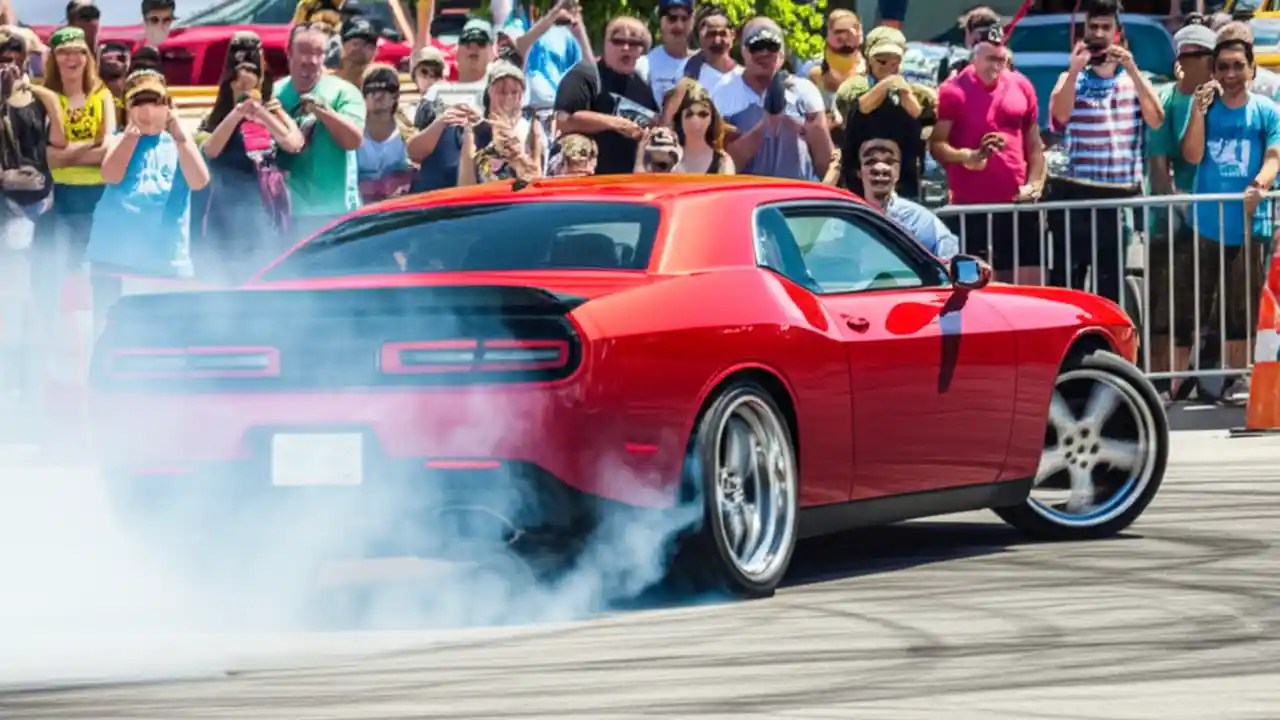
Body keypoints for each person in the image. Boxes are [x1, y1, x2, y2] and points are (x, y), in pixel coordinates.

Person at [1179, 26, 1280, 392]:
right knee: (1199, 306)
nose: (1231, 74)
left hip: (1252, 224)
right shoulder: (1204, 107)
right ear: (1214, 70)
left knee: (1243, 308)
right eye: (1223, 67)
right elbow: (1191, 155)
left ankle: (1238, 383)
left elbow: (1274, 155)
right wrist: (1197, 112)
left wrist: (1260, 184)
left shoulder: (1266, 111)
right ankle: (1194, 379)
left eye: (1238, 65)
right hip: (1207, 224)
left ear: (1252, 69)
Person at [1046, 0, 1163, 304]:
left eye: (1105, 27)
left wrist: (1132, 67)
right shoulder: (1070, 78)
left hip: (1118, 197)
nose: (1098, 33)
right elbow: (1059, 116)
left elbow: (1156, 119)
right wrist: (1074, 71)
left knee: (1110, 286)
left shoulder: (1135, 81)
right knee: (1069, 283)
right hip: (1077, 196)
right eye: (1092, 27)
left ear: (1118, 34)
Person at [85, 69, 210, 335]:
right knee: (108, 333)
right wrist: (130, 138)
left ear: (168, 106)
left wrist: (181, 138)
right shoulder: (118, 138)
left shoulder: (180, 142)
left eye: (155, 101)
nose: (147, 110)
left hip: (165, 261)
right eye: (139, 102)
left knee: (164, 336)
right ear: (128, 107)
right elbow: (110, 174)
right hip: (114, 258)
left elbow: (199, 181)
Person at [930, 23, 1045, 283]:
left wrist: (1036, 183)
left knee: (1029, 281)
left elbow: (1034, 145)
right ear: (975, 55)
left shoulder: (1021, 85)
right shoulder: (954, 90)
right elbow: (937, 144)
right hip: (971, 208)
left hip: (1017, 204)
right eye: (990, 59)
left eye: (1001, 59)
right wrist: (967, 157)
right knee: (976, 282)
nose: (996, 66)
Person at [196, 31, 304, 283]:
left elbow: (293, 143)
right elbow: (211, 150)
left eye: (251, 80)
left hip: (266, 212)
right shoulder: (214, 119)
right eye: (239, 81)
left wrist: (263, 113)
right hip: (227, 213)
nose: (245, 86)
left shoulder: (273, 110)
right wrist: (237, 112)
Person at [1146, 20, 1217, 394]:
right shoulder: (1165, 99)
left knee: (1211, 308)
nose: (1191, 61)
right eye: (1185, 54)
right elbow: (1158, 164)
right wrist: (1175, 207)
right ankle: (1162, 385)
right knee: (1164, 308)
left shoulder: (1224, 99)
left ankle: (1210, 379)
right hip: (1168, 222)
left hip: (1217, 219)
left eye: (1200, 55)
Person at [275, 21, 366, 241]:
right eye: (304, 52)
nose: (312, 61)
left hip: (336, 211)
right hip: (288, 212)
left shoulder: (344, 92)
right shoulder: (274, 94)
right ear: (289, 53)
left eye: (319, 53)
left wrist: (323, 112)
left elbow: (353, 141)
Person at [714, 18, 832, 181]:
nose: (764, 53)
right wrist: (768, 125)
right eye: (756, 47)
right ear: (743, 51)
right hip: (746, 197)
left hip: (796, 196)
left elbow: (824, 162)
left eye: (772, 46)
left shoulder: (804, 91)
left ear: (782, 52)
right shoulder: (723, 93)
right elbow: (721, 166)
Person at [554, 16, 658, 176]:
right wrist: (615, 123)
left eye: (634, 43)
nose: (625, 47)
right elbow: (562, 120)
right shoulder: (585, 75)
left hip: (628, 181)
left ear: (641, 50)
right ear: (605, 44)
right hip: (586, 180)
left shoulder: (642, 85)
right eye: (618, 41)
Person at [406, 17, 496, 192]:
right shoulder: (435, 95)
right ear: (457, 53)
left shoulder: (499, 89)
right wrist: (441, 122)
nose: (473, 48)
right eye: (467, 43)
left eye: (480, 43)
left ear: (492, 52)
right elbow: (414, 153)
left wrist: (481, 125)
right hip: (436, 192)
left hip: (481, 194)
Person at [838, 25, 923, 197]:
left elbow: (917, 112)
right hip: (860, 183)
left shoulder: (910, 89)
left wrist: (904, 91)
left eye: (895, 62)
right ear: (869, 59)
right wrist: (888, 83)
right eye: (882, 61)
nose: (888, 67)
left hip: (902, 183)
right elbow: (863, 106)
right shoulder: (855, 86)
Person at [860, 139, 958, 259]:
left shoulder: (920, 221)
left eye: (889, 161)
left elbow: (949, 259)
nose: (881, 168)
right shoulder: (848, 218)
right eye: (871, 161)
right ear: (859, 171)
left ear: (898, 171)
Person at [458, 60, 543, 185]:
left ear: (522, 96)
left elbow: (537, 178)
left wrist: (518, 157)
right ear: (490, 93)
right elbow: (465, 184)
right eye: (502, 92)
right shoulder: (476, 131)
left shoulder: (531, 129)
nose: (508, 97)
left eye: (514, 92)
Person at [357, 63, 415, 200]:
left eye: (385, 90)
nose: (377, 96)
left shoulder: (409, 131)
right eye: (371, 90)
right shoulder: (352, 132)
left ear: (395, 96)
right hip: (359, 212)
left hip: (399, 209)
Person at [636, 0, 695, 108]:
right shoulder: (644, 66)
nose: (679, 25)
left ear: (692, 22)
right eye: (672, 18)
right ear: (661, 21)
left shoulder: (703, 63)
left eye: (685, 18)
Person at [669, 79, 733, 174]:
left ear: (712, 119)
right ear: (679, 120)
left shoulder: (723, 162)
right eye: (689, 114)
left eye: (703, 114)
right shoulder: (666, 158)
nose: (695, 121)